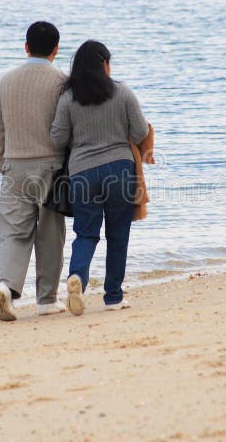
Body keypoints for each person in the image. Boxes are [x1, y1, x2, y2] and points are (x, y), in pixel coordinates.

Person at [50, 40, 149, 315]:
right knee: (118, 235)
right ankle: (113, 296)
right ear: (104, 64)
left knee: (86, 233)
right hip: (119, 169)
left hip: (82, 172)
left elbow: (57, 138)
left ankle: (78, 278)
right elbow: (141, 132)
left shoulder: (68, 98)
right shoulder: (123, 93)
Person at [0, 21, 67, 321]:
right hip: (51, 166)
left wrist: (4, 165)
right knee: (50, 233)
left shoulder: (4, 83)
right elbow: (67, 128)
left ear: (25, 47)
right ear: (56, 49)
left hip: (14, 166)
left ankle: (5, 287)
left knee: (12, 232)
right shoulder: (62, 82)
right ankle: (46, 299)